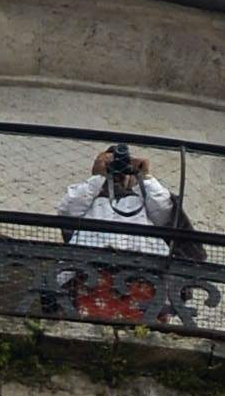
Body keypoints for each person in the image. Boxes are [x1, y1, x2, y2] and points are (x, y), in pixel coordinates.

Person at [57, 133, 186, 322]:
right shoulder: (90, 196)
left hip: (144, 270)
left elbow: (165, 213)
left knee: (144, 323)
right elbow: (68, 209)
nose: (117, 174)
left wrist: (145, 177)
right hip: (93, 268)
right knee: (90, 321)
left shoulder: (142, 197)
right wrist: (99, 176)